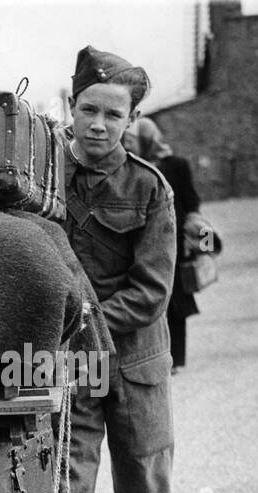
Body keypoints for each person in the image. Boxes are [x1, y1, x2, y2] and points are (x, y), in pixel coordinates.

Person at [61, 46, 177, 493]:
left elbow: (152, 292)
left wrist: (80, 324)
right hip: (68, 370)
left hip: (135, 365)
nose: (99, 124)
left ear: (131, 119)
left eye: (113, 113)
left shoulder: (150, 189)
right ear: (69, 106)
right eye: (88, 109)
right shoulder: (42, 180)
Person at [120, 116, 221, 375]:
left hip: (176, 246)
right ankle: (152, 355)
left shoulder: (176, 165)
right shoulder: (128, 166)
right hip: (143, 243)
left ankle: (175, 359)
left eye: (131, 139)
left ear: (147, 140)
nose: (127, 144)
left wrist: (206, 247)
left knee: (175, 304)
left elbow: (193, 204)